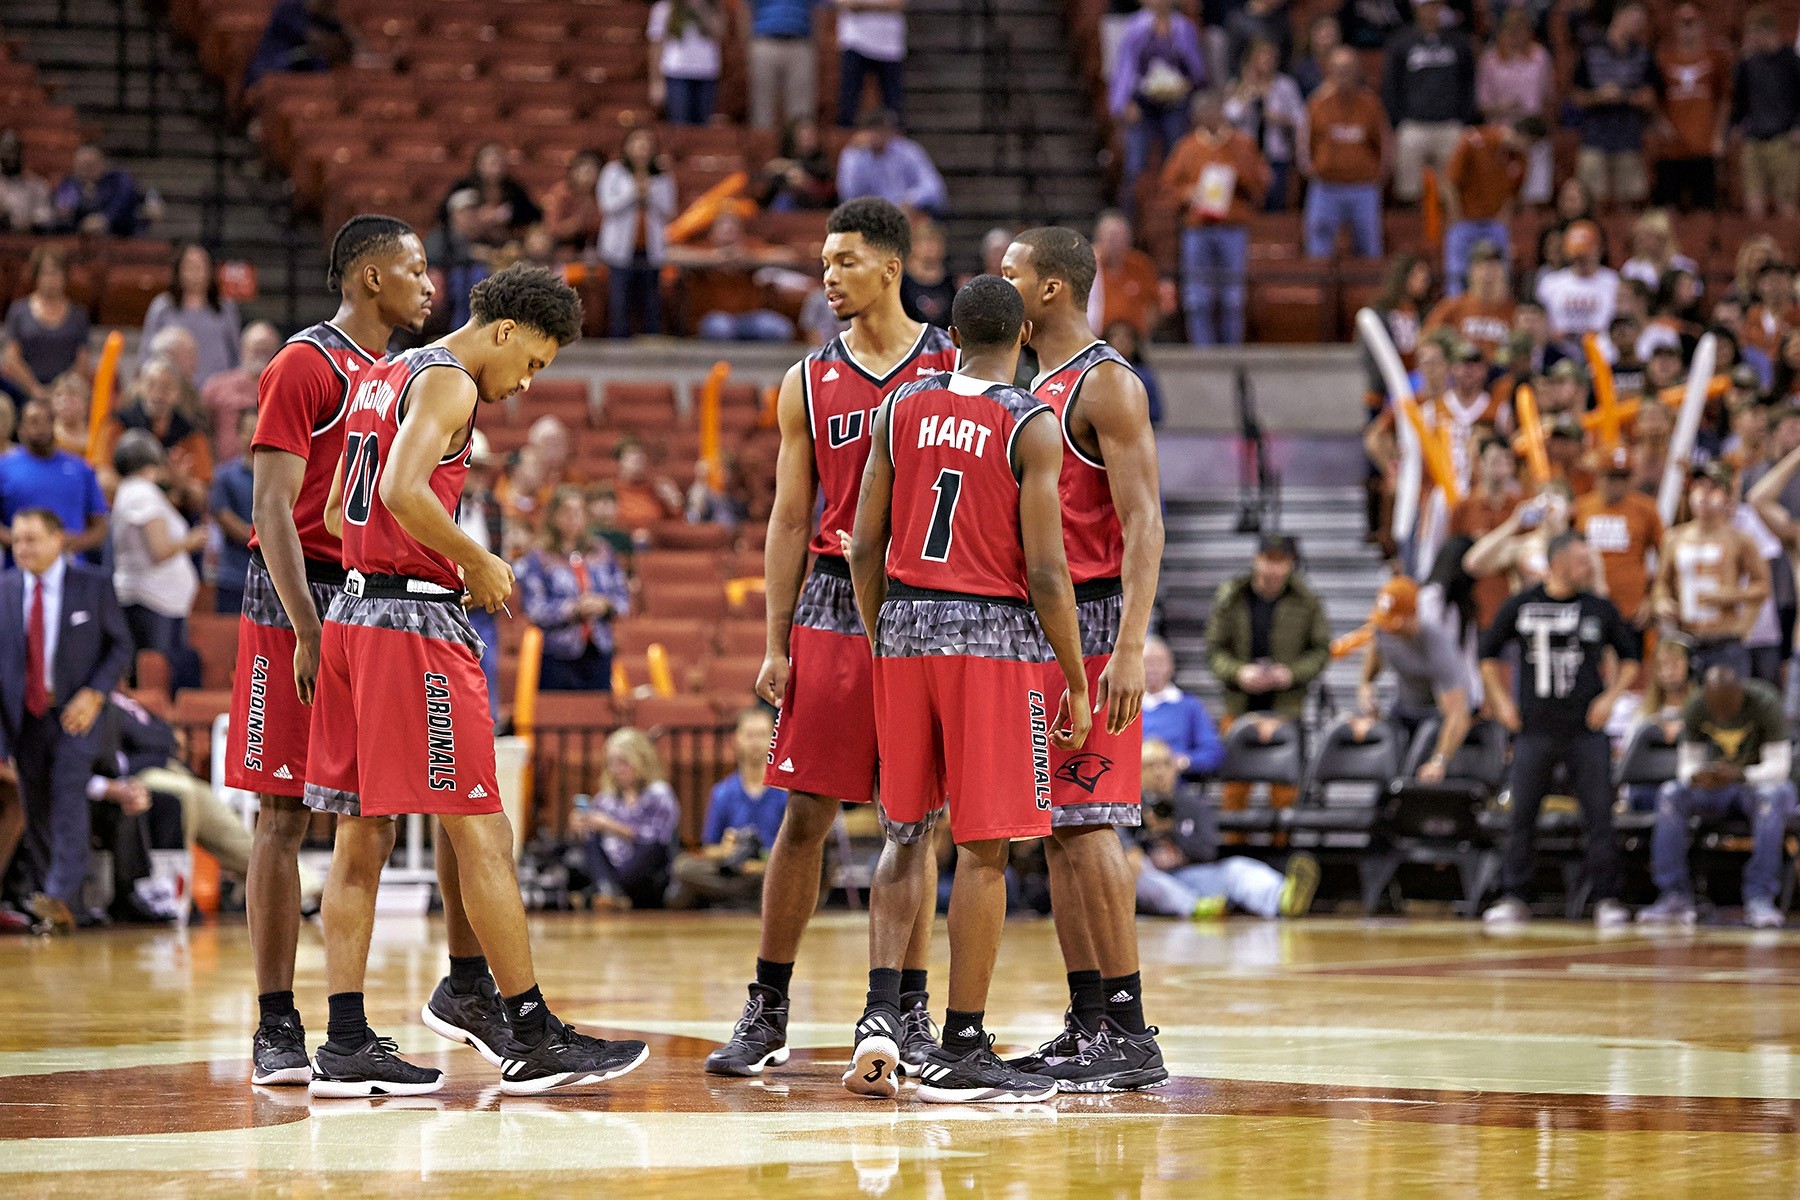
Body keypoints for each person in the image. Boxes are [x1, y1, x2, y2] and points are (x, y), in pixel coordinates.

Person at [305, 263, 647, 1096]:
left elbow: (331, 513)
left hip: (350, 615)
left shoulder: (385, 374)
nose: (527, 383)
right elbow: (400, 489)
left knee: (362, 837)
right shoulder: (452, 382)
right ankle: (528, 1030)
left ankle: (348, 1039)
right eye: (531, 361)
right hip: (412, 626)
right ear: (502, 329)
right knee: (484, 830)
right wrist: (475, 558)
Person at [226, 217, 483, 1089]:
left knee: (369, 814)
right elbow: (271, 511)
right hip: (294, 598)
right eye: (414, 269)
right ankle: (273, 1022)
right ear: (369, 279)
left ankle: (396, 1013)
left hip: (367, 595)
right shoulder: (305, 363)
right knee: (283, 813)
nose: (429, 284)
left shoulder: (396, 377)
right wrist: (306, 624)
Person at [705, 198, 957, 1080]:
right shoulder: (806, 380)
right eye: (824, 261)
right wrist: (776, 643)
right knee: (804, 815)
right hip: (830, 608)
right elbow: (785, 518)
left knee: (914, 820)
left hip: (925, 610)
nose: (828, 275)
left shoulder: (952, 367)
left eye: (845, 260)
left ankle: (902, 1012)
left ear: (892, 265)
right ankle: (766, 1006)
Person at [843, 273, 1092, 1104]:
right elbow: (1051, 573)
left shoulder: (900, 406)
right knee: (987, 849)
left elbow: (860, 545)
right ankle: (961, 1045)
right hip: (991, 639)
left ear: (948, 334)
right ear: (1022, 335)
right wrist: (1077, 678)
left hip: (906, 627)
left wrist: (885, 636)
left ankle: (882, 1019)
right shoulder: (1031, 422)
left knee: (905, 831)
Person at [1002, 226, 1167, 1091]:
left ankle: (1132, 1031)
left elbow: (1145, 521)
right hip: (1047, 626)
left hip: (1100, 625)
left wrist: (1131, 646)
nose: (1001, 285)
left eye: (1011, 274)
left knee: (1093, 821)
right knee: (1061, 833)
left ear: (1054, 289)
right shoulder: (1037, 383)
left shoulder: (1107, 384)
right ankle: (1088, 1019)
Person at [1480, 529, 1641, 928]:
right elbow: (1487, 653)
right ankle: (1514, 894)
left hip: (1585, 731)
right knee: (1522, 816)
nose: (1588, 565)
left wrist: (1610, 697)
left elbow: (1632, 658)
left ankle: (1607, 898)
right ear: (1557, 562)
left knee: (1599, 816)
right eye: (1581, 558)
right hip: (1534, 728)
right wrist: (1501, 701)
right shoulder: (1522, 604)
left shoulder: (1598, 607)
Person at [0, 509, 132, 933]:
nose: (22, 548)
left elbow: (121, 647)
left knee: (68, 795)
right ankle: (55, 904)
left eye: (32, 539)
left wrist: (95, 694)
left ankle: (59, 895)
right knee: (35, 805)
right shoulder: (4, 590)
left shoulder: (92, 585)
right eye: (17, 540)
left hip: (78, 713)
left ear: (59, 540)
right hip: (24, 717)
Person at [1636, 666, 1793, 929]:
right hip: (1717, 788)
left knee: (1771, 798)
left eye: (1727, 707)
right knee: (1671, 794)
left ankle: (1759, 897)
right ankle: (1674, 895)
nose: (1720, 715)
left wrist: (1740, 775)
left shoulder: (1764, 701)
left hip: (1756, 785)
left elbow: (1779, 768)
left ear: (1739, 694)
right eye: (1714, 707)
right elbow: (1686, 765)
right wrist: (1698, 777)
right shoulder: (1696, 704)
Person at [1204, 533, 1331, 815]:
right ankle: (1234, 851)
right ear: (1256, 560)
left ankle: (1281, 853)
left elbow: (1321, 651)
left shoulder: (1307, 601)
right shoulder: (1232, 597)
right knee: (1234, 789)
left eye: (1281, 561)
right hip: (1239, 707)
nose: (1273, 568)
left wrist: (1291, 673)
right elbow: (1214, 651)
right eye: (1268, 560)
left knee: (1285, 793)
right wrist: (1240, 673)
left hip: (1286, 708)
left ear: (1290, 564)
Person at [1128, 738, 1315, 920]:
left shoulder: (1192, 805)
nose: (1159, 772)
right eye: (1150, 765)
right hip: (1150, 879)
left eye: (1166, 764)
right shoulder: (1126, 807)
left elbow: (1208, 851)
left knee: (1236, 869)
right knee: (1136, 872)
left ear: (1175, 769)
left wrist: (1172, 831)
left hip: (1189, 877)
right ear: (1136, 771)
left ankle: (1281, 897)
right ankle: (1193, 907)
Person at [1161, 90, 1270, 347]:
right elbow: (1168, 186)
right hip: (1198, 228)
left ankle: (1231, 351)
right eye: (1203, 112)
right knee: (1198, 297)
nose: (1208, 116)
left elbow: (1260, 182)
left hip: (1232, 228)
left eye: (1213, 110)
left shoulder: (1242, 144)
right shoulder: (1187, 147)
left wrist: (1236, 175)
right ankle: (1203, 352)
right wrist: (1187, 194)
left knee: (1233, 297)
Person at [1651, 464, 1770, 677]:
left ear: (1725, 495)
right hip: (1686, 639)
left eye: (1712, 488)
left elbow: (1762, 585)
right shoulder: (1674, 538)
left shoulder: (1739, 540)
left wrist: (1733, 595)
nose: (1703, 495)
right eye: (1698, 486)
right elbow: (1661, 583)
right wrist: (1661, 602)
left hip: (1725, 640)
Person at [668, 708, 788, 909]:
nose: (755, 743)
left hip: (769, 869)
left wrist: (760, 865)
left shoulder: (785, 792)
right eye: (749, 735)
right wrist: (725, 850)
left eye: (761, 735)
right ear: (736, 739)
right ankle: (748, 899)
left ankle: (732, 898)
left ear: (773, 739)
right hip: (733, 870)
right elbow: (709, 848)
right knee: (684, 866)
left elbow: (793, 850)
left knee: (788, 874)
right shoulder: (722, 792)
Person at [515, 486, 631, 691]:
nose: (574, 518)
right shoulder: (539, 557)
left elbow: (623, 598)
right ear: (554, 516)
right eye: (567, 512)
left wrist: (604, 605)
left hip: (598, 648)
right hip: (557, 652)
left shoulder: (602, 551)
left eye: (579, 512)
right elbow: (534, 608)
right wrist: (573, 609)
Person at [1357, 575, 1472, 778]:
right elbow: (1375, 654)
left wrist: (1439, 761)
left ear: (1412, 615)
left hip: (1436, 715)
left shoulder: (1437, 644)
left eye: (1395, 624)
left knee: (1419, 775)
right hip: (1402, 710)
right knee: (1388, 780)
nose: (1389, 630)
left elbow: (1458, 714)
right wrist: (1366, 687)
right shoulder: (1383, 631)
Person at [109, 431, 203, 664]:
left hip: (154, 600)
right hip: (152, 602)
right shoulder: (142, 493)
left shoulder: (133, 490)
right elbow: (159, 550)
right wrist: (193, 540)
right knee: (155, 674)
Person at [1110, 0, 1209, 214]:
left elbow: (1197, 70)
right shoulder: (1135, 27)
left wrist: (1187, 84)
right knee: (1135, 165)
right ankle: (1128, 217)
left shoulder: (1184, 28)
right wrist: (1123, 103)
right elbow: (1124, 69)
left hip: (1175, 101)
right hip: (1142, 102)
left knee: (1175, 160)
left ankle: (1172, 213)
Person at [1380, 0, 1477, 205]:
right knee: (1408, 186)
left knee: (1453, 186)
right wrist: (1398, 120)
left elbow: (1468, 83)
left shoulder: (1458, 42)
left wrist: (1464, 117)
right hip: (1413, 123)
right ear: (1417, 9)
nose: (1431, 12)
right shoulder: (1401, 41)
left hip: (1450, 122)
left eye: (1435, 6)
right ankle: (1414, 221)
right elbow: (1391, 85)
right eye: (1426, 6)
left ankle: (1447, 225)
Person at [571, 729, 679, 909]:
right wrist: (580, 826)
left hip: (645, 874)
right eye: (611, 763)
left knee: (653, 848)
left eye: (623, 762)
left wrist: (611, 826)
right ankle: (609, 893)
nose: (616, 769)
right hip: (611, 866)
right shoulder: (606, 798)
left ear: (640, 760)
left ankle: (607, 891)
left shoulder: (659, 793)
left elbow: (658, 838)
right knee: (591, 839)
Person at [1303, 46, 1390, 258]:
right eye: (1338, 69)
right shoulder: (1317, 105)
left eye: (1348, 69)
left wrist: (1377, 175)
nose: (1343, 75)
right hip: (1325, 188)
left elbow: (1384, 145)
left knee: (1370, 250)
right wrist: (1313, 169)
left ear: (1357, 72)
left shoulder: (1371, 105)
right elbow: (1306, 145)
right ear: (1329, 72)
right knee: (1317, 252)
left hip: (1363, 188)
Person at [1569, 2, 1659, 208]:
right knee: (1591, 200)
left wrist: (1631, 97)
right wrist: (1599, 97)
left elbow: (1651, 96)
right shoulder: (1591, 51)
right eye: (1636, 18)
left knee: (1629, 202)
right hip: (1595, 137)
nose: (1639, 25)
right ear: (1620, 15)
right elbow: (1576, 96)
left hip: (1629, 136)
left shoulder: (1643, 54)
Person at [0, 398, 107, 561]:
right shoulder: (4, 468)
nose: (42, 427)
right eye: (34, 422)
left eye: (48, 420)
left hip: (71, 567)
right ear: (21, 428)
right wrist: (24, 542)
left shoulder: (80, 468)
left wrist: (73, 542)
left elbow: (100, 527)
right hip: (19, 570)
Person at [1653, 4, 1732, 212]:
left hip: (1703, 145)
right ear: (1675, 27)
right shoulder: (1663, 58)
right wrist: (1662, 124)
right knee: (1668, 210)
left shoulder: (1715, 57)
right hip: (1672, 147)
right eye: (1683, 24)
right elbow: (1653, 98)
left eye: (1692, 24)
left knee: (1704, 209)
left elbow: (1725, 98)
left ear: (1701, 25)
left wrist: (1718, 135)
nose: (1688, 30)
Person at [599, 128, 677, 339]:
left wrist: (649, 191)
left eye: (646, 144)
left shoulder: (661, 176)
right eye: (637, 143)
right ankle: (618, 344)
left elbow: (668, 210)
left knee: (651, 300)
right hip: (619, 249)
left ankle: (652, 344)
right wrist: (634, 191)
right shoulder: (613, 172)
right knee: (620, 301)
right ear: (627, 146)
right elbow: (608, 205)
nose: (642, 149)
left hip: (650, 249)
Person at [1574, 447, 1663, 627]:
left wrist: (1652, 597)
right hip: (1586, 604)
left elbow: (1667, 555)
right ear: (1598, 476)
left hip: (1632, 609)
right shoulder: (1581, 507)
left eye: (1624, 477)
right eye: (1611, 476)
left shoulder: (1646, 509)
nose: (1618, 484)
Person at [1728, 4, 1800, 221]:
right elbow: (1738, 99)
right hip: (1753, 138)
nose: (1750, 38)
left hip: (1784, 139)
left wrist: (1798, 125)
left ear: (1767, 31)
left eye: (1753, 33)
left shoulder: (1791, 61)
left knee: (1786, 200)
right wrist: (1735, 125)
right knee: (1753, 199)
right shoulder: (1747, 63)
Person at [1476, 7, 1554, 204]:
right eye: (1510, 32)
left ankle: (1534, 206)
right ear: (1501, 33)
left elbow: (1548, 96)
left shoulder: (1540, 57)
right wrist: (1501, 106)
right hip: (1502, 126)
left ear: (1528, 32)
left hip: (1532, 125)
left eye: (1520, 31)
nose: (1515, 37)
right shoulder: (1490, 60)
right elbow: (1481, 105)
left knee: (1539, 145)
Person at [140, 244, 242, 389]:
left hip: (216, 389)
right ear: (179, 270)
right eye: (190, 266)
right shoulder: (163, 307)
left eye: (200, 266)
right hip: (173, 388)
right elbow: (146, 352)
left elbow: (236, 352)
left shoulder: (226, 308)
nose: (195, 273)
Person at [1442, 121, 1527, 294]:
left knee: (1502, 271)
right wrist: (1455, 215)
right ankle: (1456, 305)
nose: (1525, 147)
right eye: (1525, 141)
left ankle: (1499, 306)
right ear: (1515, 133)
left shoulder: (1521, 158)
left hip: (1493, 224)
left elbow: (1514, 195)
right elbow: (1450, 182)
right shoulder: (1474, 141)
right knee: (1457, 273)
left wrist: (1503, 218)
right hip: (1465, 221)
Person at [1, 246, 91, 402]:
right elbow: (11, 358)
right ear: (36, 275)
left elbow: (82, 361)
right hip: (24, 393)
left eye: (56, 272)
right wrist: (34, 389)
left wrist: (60, 391)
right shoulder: (18, 311)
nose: (51, 279)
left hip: (66, 395)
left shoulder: (78, 315)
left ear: (65, 275)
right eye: (46, 272)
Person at [1224, 38, 1305, 211]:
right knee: (1248, 205)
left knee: (1274, 204)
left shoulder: (1285, 85)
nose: (1266, 61)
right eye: (1262, 56)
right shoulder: (1239, 86)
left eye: (1270, 57)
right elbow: (1230, 116)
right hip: (1247, 154)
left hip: (1276, 152)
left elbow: (1301, 119)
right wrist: (1246, 90)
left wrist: (1280, 118)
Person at [836, 108, 947, 217]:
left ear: (891, 131)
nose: (878, 136)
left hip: (906, 212)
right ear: (863, 133)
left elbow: (934, 187)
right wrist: (856, 156)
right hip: (871, 216)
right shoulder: (853, 155)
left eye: (882, 131)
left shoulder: (908, 150)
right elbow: (848, 195)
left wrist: (910, 201)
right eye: (874, 131)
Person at [1139, 635, 1224, 776]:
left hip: (1174, 785)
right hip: (1131, 783)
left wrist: (1183, 761)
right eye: (1146, 662)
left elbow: (1212, 752)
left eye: (1158, 662)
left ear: (1170, 666)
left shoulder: (1190, 706)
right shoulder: (1124, 705)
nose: (1152, 668)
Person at [202, 321, 282, 461]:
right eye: (257, 349)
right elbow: (203, 430)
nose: (261, 355)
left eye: (267, 350)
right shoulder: (217, 386)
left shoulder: (286, 388)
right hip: (224, 472)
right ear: (243, 349)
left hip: (273, 468)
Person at [439, 143, 542, 249]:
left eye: (499, 162)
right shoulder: (464, 186)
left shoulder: (514, 188)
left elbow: (533, 215)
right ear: (479, 164)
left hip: (505, 242)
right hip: (468, 243)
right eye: (492, 162)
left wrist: (507, 214)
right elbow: (444, 214)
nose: (496, 167)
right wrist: (477, 216)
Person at [1424, 243, 1516, 358]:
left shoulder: (1515, 310)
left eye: (1494, 265)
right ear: (1471, 271)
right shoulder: (1453, 306)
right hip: (1461, 371)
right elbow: (1425, 339)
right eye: (1481, 266)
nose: (1488, 272)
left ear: (1503, 271)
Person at [209, 407, 259, 615]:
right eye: (248, 429)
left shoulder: (281, 476)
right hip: (233, 577)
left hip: (273, 578)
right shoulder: (224, 475)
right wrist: (268, 540)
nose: (253, 434)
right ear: (238, 433)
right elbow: (224, 518)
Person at [1536, 221, 1619, 342]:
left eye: (1586, 255)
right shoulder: (1550, 283)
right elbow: (1539, 322)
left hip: (1603, 349)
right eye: (1577, 256)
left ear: (1600, 249)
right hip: (1558, 350)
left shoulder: (1613, 281)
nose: (1581, 261)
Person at [746, 0, 823, 130]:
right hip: (764, 41)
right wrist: (749, 43)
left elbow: (819, 11)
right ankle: (762, 148)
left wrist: (815, 44)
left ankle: (798, 150)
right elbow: (747, 8)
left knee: (801, 111)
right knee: (762, 107)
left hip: (800, 42)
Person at [1087, 211, 1163, 342]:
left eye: (1119, 237)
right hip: (1096, 341)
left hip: (1133, 343)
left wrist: (1143, 334)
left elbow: (1154, 305)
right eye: (1110, 238)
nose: (1114, 243)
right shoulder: (1088, 267)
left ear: (1129, 239)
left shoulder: (1140, 265)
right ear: (1099, 238)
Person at [243, 0, 351, 90]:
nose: (328, 5)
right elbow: (315, 39)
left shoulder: (328, 21)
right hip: (275, 65)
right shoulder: (289, 7)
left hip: (307, 69)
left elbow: (347, 47)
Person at [648, 0, 724, 125]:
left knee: (703, 126)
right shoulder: (664, 8)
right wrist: (656, 81)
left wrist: (700, 9)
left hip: (706, 73)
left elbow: (720, 33)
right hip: (677, 74)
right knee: (679, 125)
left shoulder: (712, 7)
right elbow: (656, 46)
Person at [836, 0, 907, 127]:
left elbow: (898, 4)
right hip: (855, 41)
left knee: (893, 106)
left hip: (889, 46)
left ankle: (894, 141)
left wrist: (863, 6)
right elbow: (845, 3)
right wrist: (880, 6)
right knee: (848, 105)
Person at [51, 143, 145, 236]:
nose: (86, 169)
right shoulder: (69, 184)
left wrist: (105, 218)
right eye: (82, 165)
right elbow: (62, 209)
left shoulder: (118, 179)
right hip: (81, 237)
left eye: (90, 164)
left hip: (122, 235)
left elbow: (123, 201)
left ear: (102, 163)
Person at [753, 120, 838, 211]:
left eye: (810, 136)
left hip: (812, 204)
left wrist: (801, 178)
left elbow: (826, 182)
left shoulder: (822, 161)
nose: (807, 140)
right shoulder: (788, 159)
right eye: (803, 137)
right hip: (788, 200)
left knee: (785, 199)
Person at [537, 151, 604, 257]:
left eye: (592, 168)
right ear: (572, 171)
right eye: (582, 167)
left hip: (597, 248)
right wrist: (578, 221)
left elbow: (605, 228)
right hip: (562, 246)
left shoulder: (604, 194)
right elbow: (553, 229)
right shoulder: (561, 191)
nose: (586, 172)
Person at [901, 220, 955, 327]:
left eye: (936, 241)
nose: (931, 247)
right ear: (914, 246)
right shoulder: (902, 284)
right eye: (926, 241)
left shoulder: (952, 282)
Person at [0, 128, 51, 233]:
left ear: (21, 154)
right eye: (7, 152)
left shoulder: (35, 184)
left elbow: (46, 213)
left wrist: (31, 220)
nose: (11, 157)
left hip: (28, 239)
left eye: (15, 152)